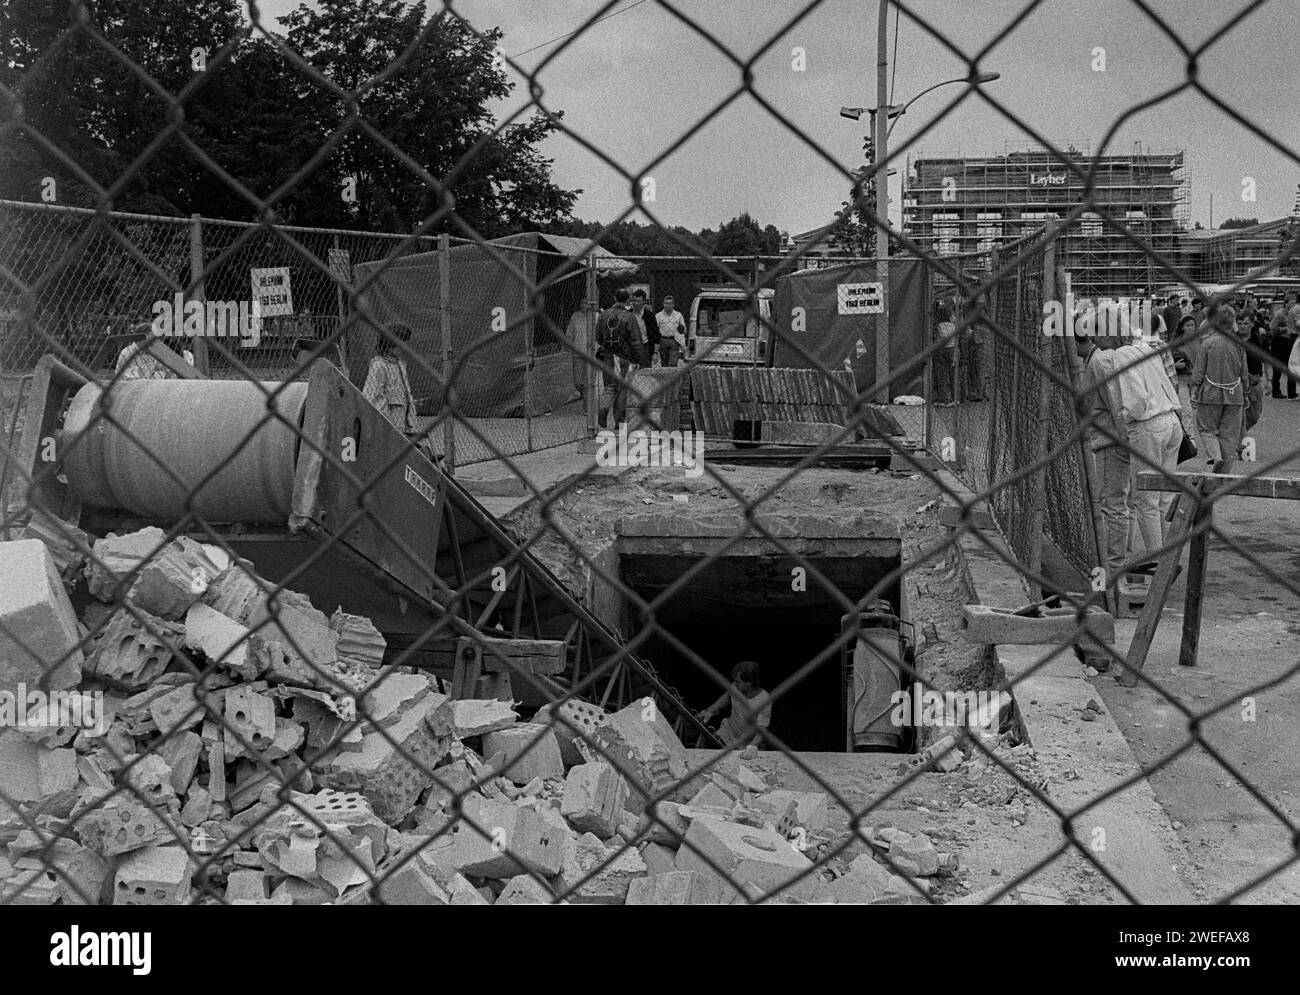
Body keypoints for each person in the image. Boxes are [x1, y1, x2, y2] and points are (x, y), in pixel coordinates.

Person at [1109, 332, 1188, 554]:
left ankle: (1156, 559)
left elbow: (1136, 399)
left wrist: (1124, 418)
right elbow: (1168, 384)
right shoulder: (1148, 349)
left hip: (1148, 424)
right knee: (1164, 496)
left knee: (1146, 500)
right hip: (1171, 420)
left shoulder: (1121, 354)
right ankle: (1169, 555)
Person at [1076, 325, 1131, 585]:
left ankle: (1114, 564)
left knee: (1114, 504)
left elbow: (1115, 403)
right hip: (1108, 439)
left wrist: (1123, 437)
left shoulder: (1099, 362)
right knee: (1115, 502)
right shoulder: (1095, 361)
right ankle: (1114, 560)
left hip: (1111, 441)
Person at [1192, 304, 1247, 472]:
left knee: (1207, 429)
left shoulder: (1207, 343)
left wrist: (1194, 392)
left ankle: (1215, 457)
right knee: (1230, 437)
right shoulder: (1239, 344)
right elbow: (1244, 372)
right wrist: (1245, 394)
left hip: (1210, 394)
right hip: (1235, 394)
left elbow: (1198, 373)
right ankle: (1224, 475)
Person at [699, 661, 772, 749]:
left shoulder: (764, 700)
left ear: (749, 683)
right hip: (727, 732)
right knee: (706, 746)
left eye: (738, 681)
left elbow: (761, 731)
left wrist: (751, 747)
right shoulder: (735, 687)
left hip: (745, 744)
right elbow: (727, 696)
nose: (734, 684)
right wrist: (712, 708)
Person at [362, 322, 418, 436]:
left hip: (402, 425)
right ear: (390, 344)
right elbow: (373, 397)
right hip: (387, 427)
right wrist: (387, 424)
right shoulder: (379, 365)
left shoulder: (400, 364)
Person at [594, 288, 638, 428]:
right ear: (627, 301)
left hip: (607, 355)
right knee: (622, 387)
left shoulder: (603, 315)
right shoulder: (629, 317)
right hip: (624, 356)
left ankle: (603, 407)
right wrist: (638, 358)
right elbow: (635, 340)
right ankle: (619, 421)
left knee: (609, 385)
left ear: (614, 298)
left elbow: (598, 337)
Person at [1269, 291, 1298, 399]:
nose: (1293, 305)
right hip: (1280, 342)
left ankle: (1292, 392)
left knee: (1291, 366)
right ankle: (1276, 390)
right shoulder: (1279, 314)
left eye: (1295, 303)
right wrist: (1286, 328)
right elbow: (1272, 329)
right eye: (1291, 302)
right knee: (1278, 367)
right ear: (1286, 303)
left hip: (1290, 342)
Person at [933, 305, 957, 404]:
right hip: (952, 350)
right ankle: (954, 397)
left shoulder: (940, 326)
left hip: (942, 351)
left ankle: (944, 398)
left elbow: (941, 337)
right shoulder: (953, 326)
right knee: (952, 375)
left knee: (942, 375)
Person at [654, 295, 687, 368]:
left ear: (673, 305)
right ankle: (666, 378)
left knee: (673, 363)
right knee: (664, 363)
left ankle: (673, 377)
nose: (667, 305)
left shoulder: (678, 315)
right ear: (663, 304)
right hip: (662, 340)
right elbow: (655, 330)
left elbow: (685, 330)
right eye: (666, 303)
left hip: (674, 340)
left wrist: (682, 329)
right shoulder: (658, 316)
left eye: (669, 304)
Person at [629, 289, 656, 367]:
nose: (635, 303)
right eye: (634, 300)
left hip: (645, 346)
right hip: (630, 347)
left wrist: (655, 353)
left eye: (638, 301)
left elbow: (656, 335)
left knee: (646, 371)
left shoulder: (649, 315)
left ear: (644, 302)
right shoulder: (627, 314)